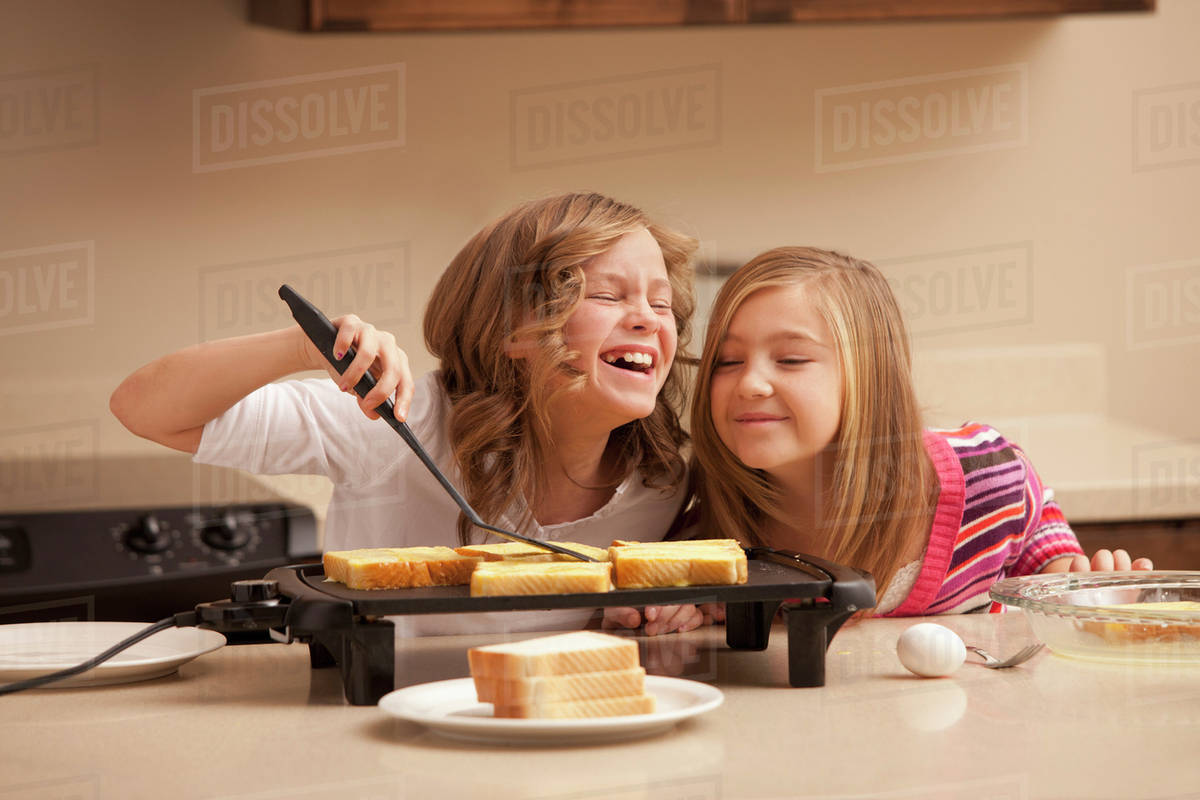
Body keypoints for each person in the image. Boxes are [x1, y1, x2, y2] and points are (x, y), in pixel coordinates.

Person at [110, 192, 706, 634]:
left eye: (661, 303)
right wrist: (301, 347)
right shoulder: (394, 425)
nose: (649, 319)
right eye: (606, 296)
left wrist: (679, 606)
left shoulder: (662, 481)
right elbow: (145, 410)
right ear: (510, 331)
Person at [687, 246, 1152, 616]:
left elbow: (1034, 532)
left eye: (790, 359)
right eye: (728, 362)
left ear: (870, 378)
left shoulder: (986, 477)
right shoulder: (706, 513)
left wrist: (1068, 576)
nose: (749, 383)